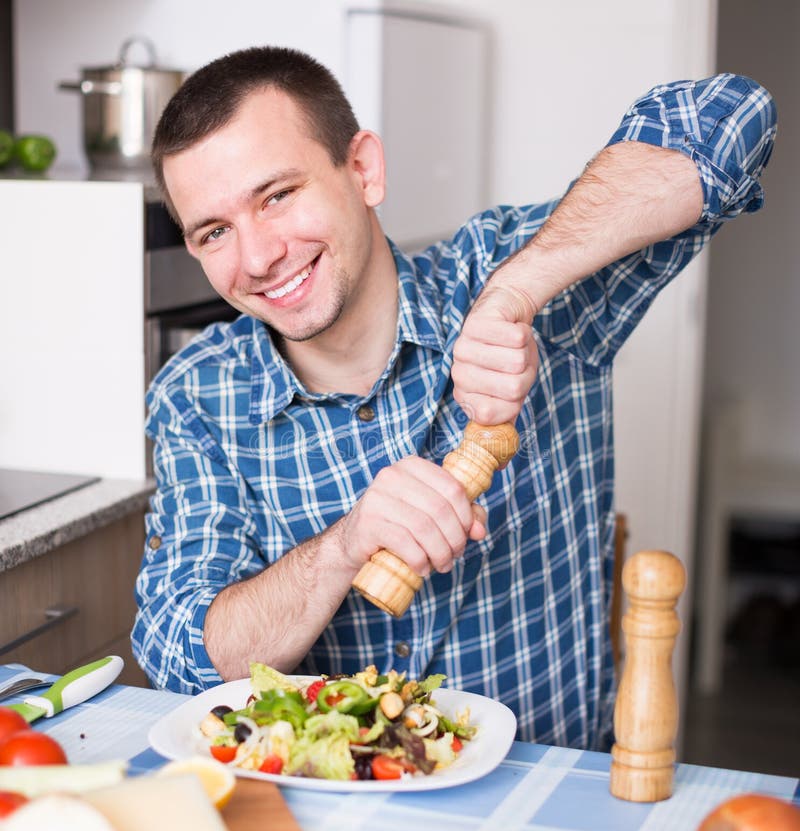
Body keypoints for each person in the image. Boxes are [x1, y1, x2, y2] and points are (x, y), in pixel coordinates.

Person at [132, 45, 776, 751]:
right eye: (214, 231)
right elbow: (181, 658)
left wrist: (513, 292)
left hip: (542, 803)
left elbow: (733, 120)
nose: (256, 258)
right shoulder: (198, 393)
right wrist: (345, 547)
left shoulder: (515, 274)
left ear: (364, 170)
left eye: (278, 195)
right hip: (331, 808)